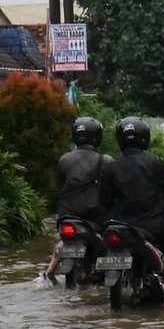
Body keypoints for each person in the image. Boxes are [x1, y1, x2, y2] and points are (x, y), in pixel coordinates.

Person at [102, 117, 164, 304]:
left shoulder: (111, 168)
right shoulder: (155, 163)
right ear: (144, 138)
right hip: (154, 227)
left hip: (121, 226)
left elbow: (104, 201)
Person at [45, 116, 114, 279]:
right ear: (97, 136)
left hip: (66, 217)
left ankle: (48, 273)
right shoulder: (106, 161)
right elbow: (113, 188)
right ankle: (104, 271)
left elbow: (60, 185)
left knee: (64, 241)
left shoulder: (64, 160)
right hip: (93, 218)